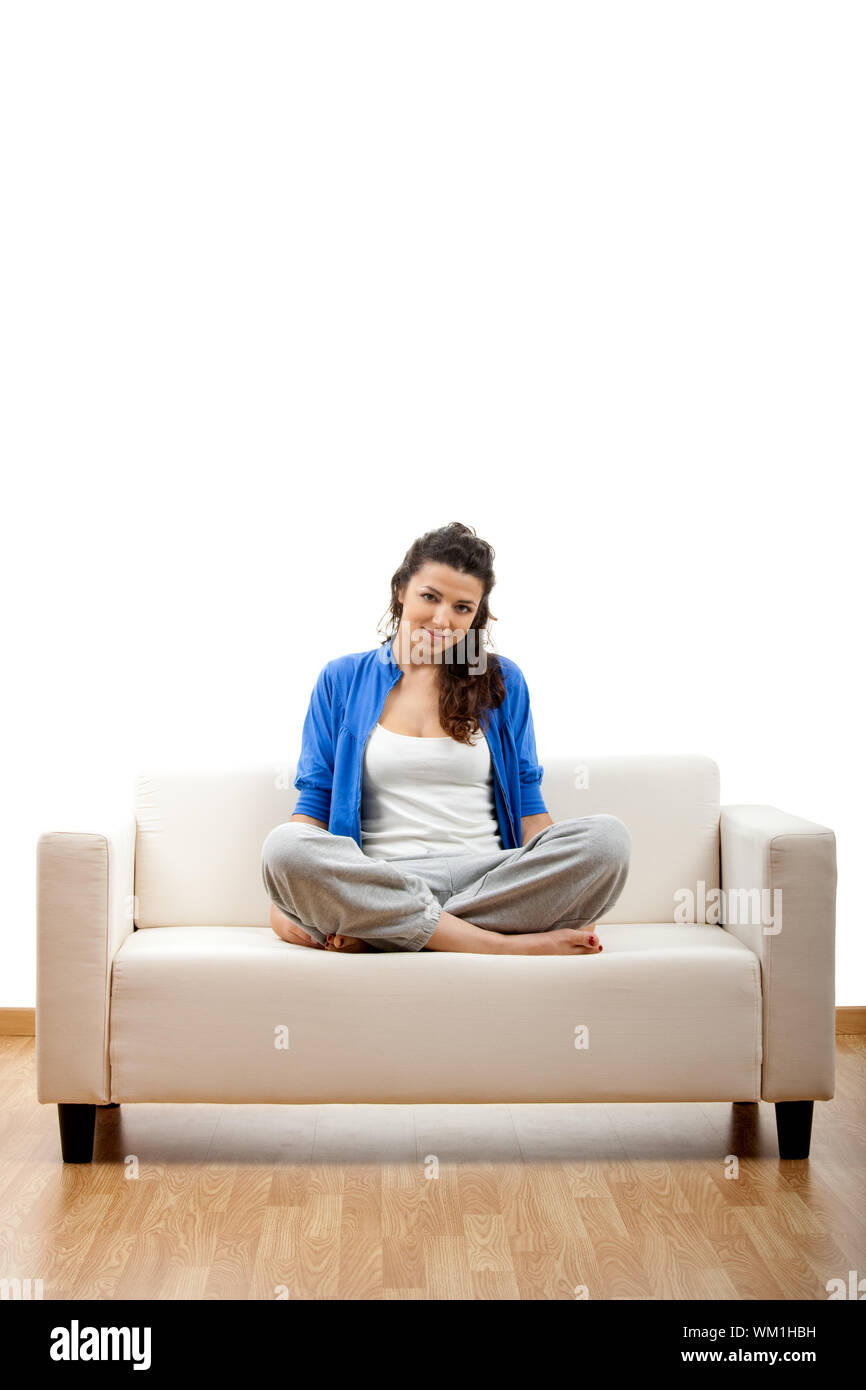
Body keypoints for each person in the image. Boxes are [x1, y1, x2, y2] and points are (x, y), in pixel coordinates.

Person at [261, 521, 631, 955]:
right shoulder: (342, 679)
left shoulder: (501, 680)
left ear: (477, 613)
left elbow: (529, 806)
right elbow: (315, 803)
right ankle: (499, 943)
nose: (442, 620)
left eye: (461, 607)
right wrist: (283, 893)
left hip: (489, 876)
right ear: (401, 589)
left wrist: (564, 871)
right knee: (283, 848)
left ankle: (393, 929)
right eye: (430, 597)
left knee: (608, 840)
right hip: (381, 876)